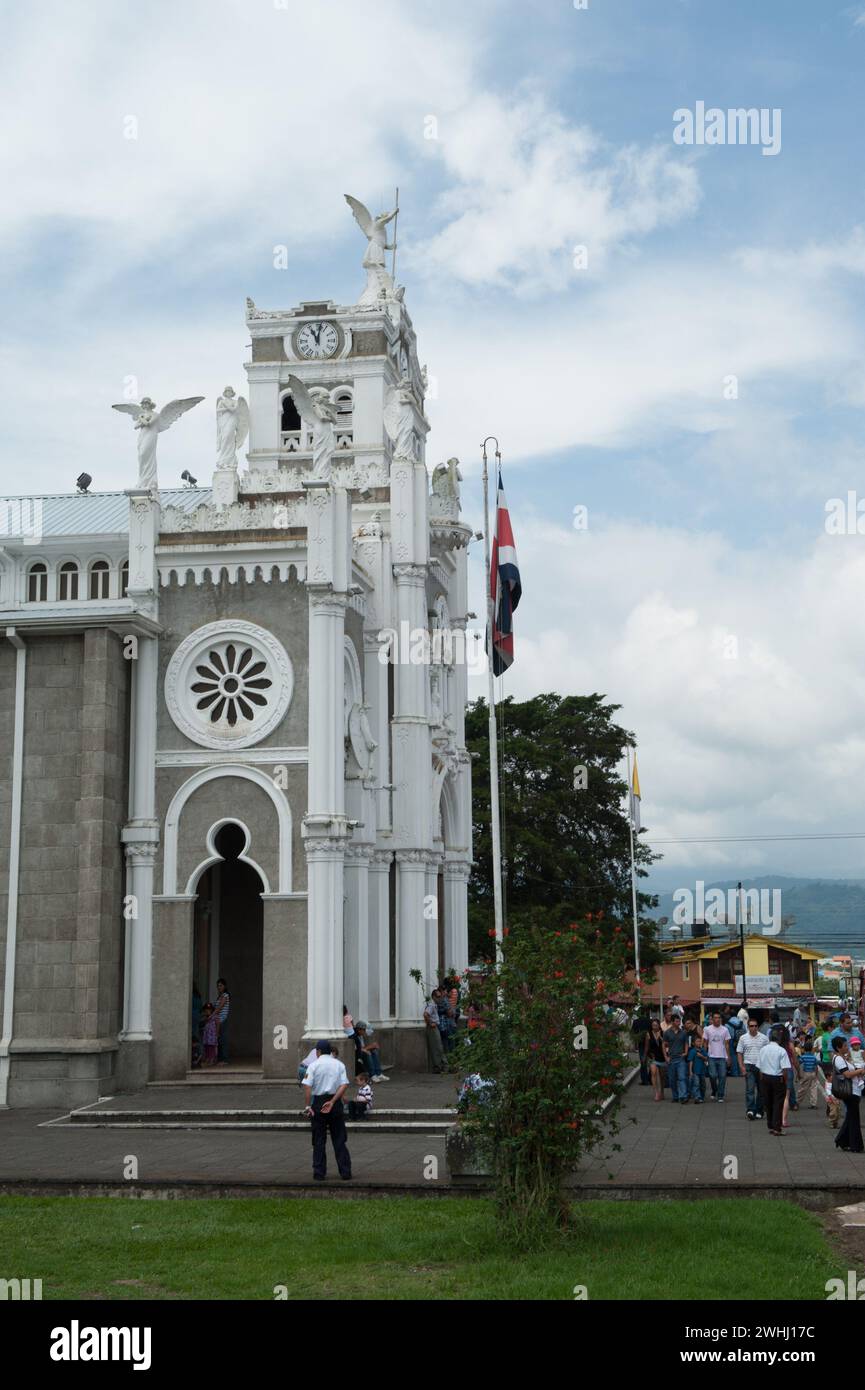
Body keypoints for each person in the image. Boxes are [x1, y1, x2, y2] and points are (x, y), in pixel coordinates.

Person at [303, 1040, 352, 1180]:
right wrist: (333, 1101)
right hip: (335, 1104)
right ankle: (345, 1171)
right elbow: (344, 1085)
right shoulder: (339, 1064)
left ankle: (319, 1172)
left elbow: (307, 1087)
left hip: (318, 1103)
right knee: (339, 1139)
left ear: (318, 1052)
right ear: (330, 1051)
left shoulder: (313, 1066)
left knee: (318, 1140)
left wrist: (308, 1106)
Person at [832, 1036, 865, 1153]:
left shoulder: (843, 1058)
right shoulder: (839, 1059)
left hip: (854, 1091)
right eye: (845, 1045)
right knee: (854, 1118)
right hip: (850, 1092)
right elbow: (847, 1074)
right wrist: (860, 1071)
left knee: (851, 1117)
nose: (847, 1047)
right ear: (838, 1047)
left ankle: (842, 1140)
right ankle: (855, 1145)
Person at [759, 1025, 792, 1136]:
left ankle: (771, 1125)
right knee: (778, 1103)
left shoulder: (763, 1049)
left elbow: (759, 1066)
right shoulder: (781, 1050)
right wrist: (785, 1080)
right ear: (779, 1039)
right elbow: (785, 1069)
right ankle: (777, 1127)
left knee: (768, 1102)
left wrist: (762, 1078)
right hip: (777, 1078)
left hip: (765, 1077)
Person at [737, 1017, 768, 1119]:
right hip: (748, 1065)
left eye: (755, 1026)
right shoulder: (743, 1038)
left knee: (761, 1090)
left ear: (758, 1027)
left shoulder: (764, 1038)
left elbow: (767, 1053)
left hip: (761, 1067)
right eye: (751, 1026)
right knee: (750, 1089)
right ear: (748, 1027)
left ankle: (759, 1110)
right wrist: (741, 1067)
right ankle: (750, 1110)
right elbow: (739, 1053)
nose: (754, 1028)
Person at [704, 1012, 731, 1102]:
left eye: (719, 1017)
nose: (717, 1019)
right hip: (711, 1056)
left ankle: (720, 1095)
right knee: (713, 1075)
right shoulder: (707, 1029)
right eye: (715, 1018)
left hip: (722, 1056)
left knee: (723, 1076)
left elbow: (727, 1044)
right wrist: (705, 1055)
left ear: (721, 1019)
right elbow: (705, 1043)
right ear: (712, 1019)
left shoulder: (725, 1029)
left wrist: (728, 1057)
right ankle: (714, 1089)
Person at [663, 1013, 689, 1103]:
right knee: (672, 1079)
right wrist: (666, 1056)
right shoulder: (667, 1033)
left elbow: (686, 1043)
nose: (679, 1023)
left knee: (682, 1077)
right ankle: (675, 1096)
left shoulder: (683, 1032)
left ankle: (683, 1096)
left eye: (679, 1021)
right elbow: (664, 1044)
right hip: (671, 1058)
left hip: (680, 1058)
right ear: (673, 1022)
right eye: (677, 1021)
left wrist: (686, 1052)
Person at [643, 1017, 667, 1101]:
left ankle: (662, 1091)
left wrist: (660, 1037)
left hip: (662, 1057)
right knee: (653, 1073)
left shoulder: (663, 1033)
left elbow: (666, 1044)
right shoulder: (648, 1034)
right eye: (653, 1025)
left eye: (656, 1025)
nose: (654, 1027)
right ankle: (656, 1093)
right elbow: (646, 1046)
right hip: (652, 1057)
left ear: (659, 1026)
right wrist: (644, 1057)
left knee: (662, 1076)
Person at [684, 1018, 706, 1103]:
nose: (687, 1025)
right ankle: (695, 1095)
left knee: (701, 1082)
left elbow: (703, 1039)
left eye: (689, 1023)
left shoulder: (697, 1028)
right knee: (692, 1079)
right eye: (686, 1024)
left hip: (699, 1057)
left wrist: (702, 1051)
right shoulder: (686, 1031)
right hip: (690, 1055)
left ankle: (699, 1096)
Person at [424, 992, 446, 1072]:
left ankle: (439, 1066)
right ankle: (439, 1066)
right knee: (437, 1047)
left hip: (435, 1026)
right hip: (432, 1028)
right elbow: (426, 1014)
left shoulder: (435, 1005)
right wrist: (430, 1023)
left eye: (440, 996)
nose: (439, 998)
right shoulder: (432, 1005)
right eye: (438, 996)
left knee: (438, 1046)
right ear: (433, 997)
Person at [797, 1038, 821, 1110]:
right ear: (811, 1049)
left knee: (803, 1088)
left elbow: (799, 1063)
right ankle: (813, 1104)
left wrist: (797, 1075)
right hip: (813, 1073)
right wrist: (816, 1075)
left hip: (806, 1074)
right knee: (813, 1089)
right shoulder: (813, 1057)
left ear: (804, 1049)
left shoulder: (803, 1056)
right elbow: (816, 1066)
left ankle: (797, 1102)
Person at [214, 978, 230, 1065]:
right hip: (217, 1020)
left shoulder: (225, 995)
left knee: (223, 1039)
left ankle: (225, 1060)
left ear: (224, 986)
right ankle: (220, 1059)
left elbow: (219, 1007)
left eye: (221, 985)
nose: (219, 987)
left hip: (222, 1020)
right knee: (218, 1039)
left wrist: (212, 1015)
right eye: (218, 986)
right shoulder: (219, 996)